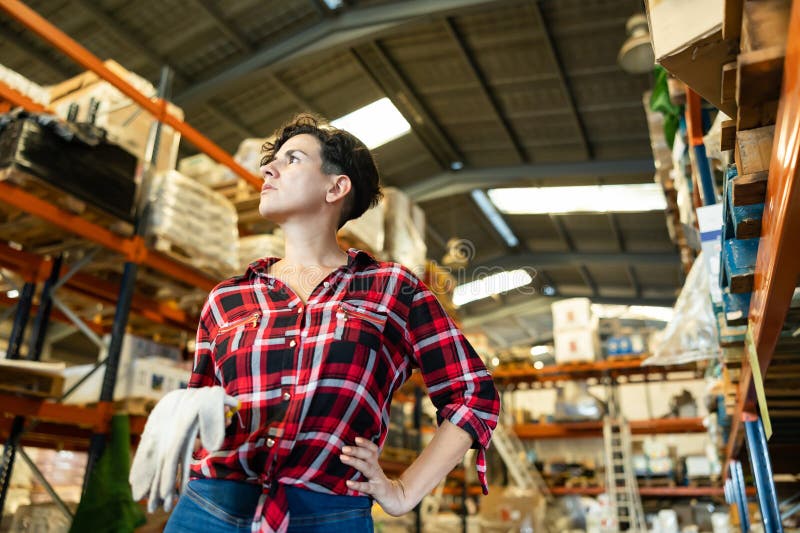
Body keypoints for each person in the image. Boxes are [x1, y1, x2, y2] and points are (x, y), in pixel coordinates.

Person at [164, 113, 500, 532]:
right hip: (211, 509)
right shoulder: (227, 299)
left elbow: (473, 395)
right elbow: (203, 410)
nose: (268, 169)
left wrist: (404, 492)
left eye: (292, 159)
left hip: (328, 514)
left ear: (336, 187)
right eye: (273, 161)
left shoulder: (392, 290)